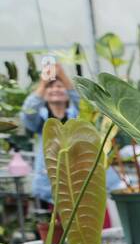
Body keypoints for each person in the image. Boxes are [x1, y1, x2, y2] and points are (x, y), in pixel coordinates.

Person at [21, 62, 122, 209]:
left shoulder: (78, 117)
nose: (55, 89)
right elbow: (27, 113)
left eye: (60, 86)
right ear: (44, 95)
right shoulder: (40, 121)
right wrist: (43, 83)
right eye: (51, 87)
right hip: (51, 186)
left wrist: (64, 76)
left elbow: (86, 105)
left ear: (67, 93)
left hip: (81, 180)